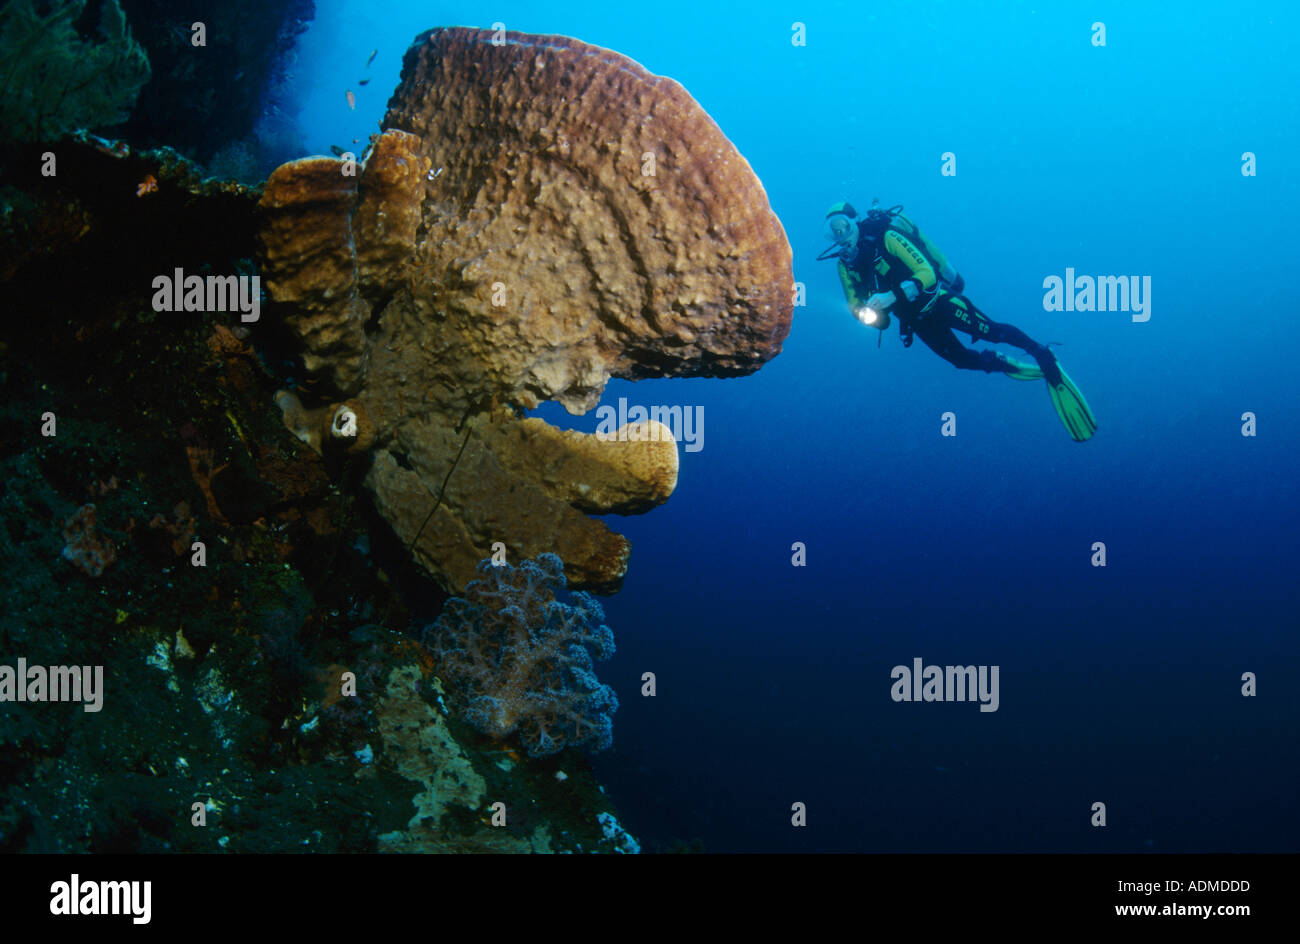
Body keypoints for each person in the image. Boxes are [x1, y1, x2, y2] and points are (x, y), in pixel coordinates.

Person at [820, 201, 1097, 441]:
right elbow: (853, 304)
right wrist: (870, 317)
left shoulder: (888, 237)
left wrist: (891, 296)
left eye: (843, 225)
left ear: (855, 222)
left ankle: (1042, 353)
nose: (840, 235)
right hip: (918, 322)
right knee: (961, 360)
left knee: (992, 330)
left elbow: (926, 272)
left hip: (939, 301)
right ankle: (1000, 362)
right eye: (832, 231)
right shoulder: (844, 266)